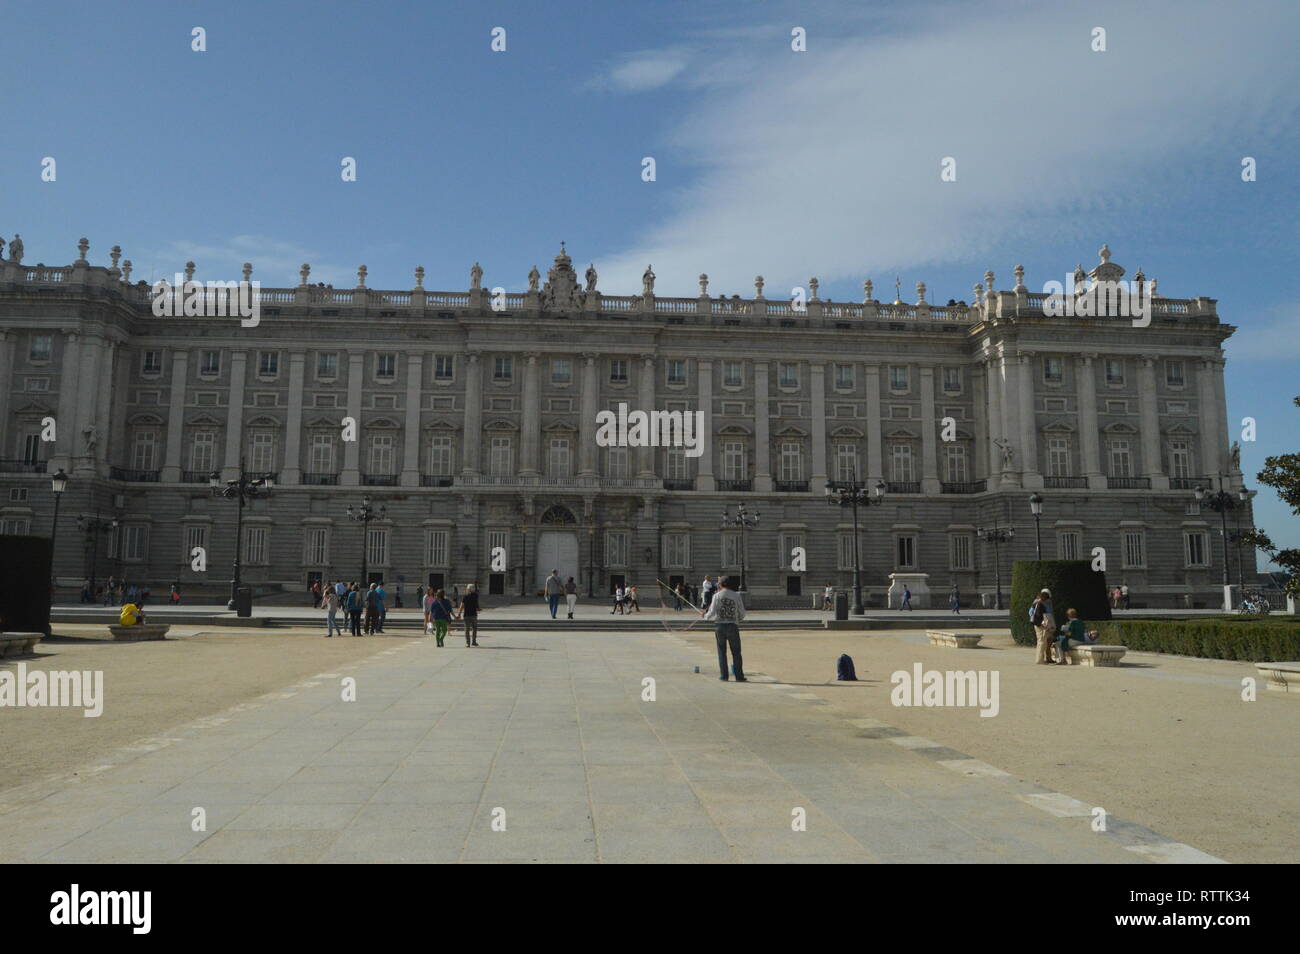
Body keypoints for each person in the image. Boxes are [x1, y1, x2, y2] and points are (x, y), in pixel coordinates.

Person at [703, 575, 746, 681]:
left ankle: (724, 676)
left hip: (720, 626)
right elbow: (742, 613)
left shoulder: (716, 596)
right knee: (736, 652)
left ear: (720, 584)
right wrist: (738, 620)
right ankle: (739, 676)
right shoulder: (736, 595)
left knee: (722, 652)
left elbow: (712, 612)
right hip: (732, 625)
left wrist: (705, 617)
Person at [1030, 588, 1056, 664]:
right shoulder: (1040, 604)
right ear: (1044, 598)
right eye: (1047, 599)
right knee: (1042, 642)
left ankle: (1041, 659)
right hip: (1040, 626)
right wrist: (1043, 624)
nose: (1048, 600)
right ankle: (1040, 660)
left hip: (1039, 625)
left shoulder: (1037, 603)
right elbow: (1038, 616)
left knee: (1041, 642)